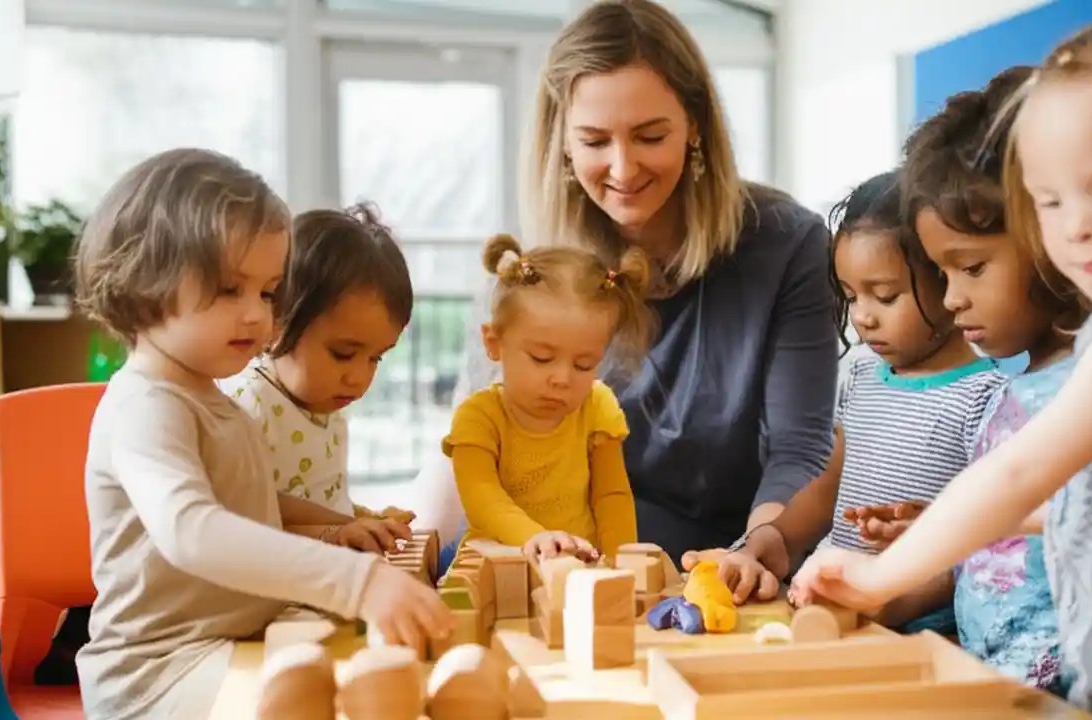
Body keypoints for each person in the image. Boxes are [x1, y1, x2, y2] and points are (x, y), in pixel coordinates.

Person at [793, 5, 1092, 717]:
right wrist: (954, 526)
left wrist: (880, 576)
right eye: (1047, 201)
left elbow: (1019, 469)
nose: (1075, 225)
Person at [412, 0, 837, 566]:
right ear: (561, 141)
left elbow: (800, 449)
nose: (623, 168)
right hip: (556, 557)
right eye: (593, 141)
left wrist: (757, 552)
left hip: (716, 560)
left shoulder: (787, 243)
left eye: (649, 136)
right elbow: (475, 438)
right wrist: (410, 557)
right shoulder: (530, 266)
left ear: (695, 126)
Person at [72, 148, 451, 719]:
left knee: (381, 678)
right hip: (157, 672)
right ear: (143, 281)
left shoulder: (208, 397)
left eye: (269, 292)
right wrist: (356, 580)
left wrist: (335, 533)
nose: (258, 315)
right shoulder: (143, 406)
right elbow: (192, 529)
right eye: (231, 289)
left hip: (237, 639)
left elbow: (249, 504)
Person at [700, 172, 1005, 631]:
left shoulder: (985, 397)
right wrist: (772, 538)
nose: (862, 316)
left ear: (946, 280)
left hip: (916, 627)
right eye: (850, 296)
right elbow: (828, 485)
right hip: (826, 605)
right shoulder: (863, 374)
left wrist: (887, 602)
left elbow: (982, 543)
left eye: (885, 296)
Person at [895, 65, 1088, 693]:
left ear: (1049, 231)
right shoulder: (1014, 387)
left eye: (971, 268)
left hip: (1065, 683)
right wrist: (940, 525)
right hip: (989, 674)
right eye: (941, 274)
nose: (951, 299)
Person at [444, 234, 651, 561]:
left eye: (584, 365)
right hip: (497, 565)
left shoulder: (597, 406)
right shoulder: (478, 417)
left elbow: (611, 496)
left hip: (578, 567)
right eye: (541, 358)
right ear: (494, 342)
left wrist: (620, 561)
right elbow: (483, 499)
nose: (562, 379)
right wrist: (538, 539)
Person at [222, 204, 416, 552]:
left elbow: (321, 500)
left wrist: (363, 518)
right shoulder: (248, 407)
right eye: (342, 353)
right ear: (277, 321)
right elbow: (249, 517)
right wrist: (339, 531)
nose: (359, 378)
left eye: (376, 358)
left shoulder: (326, 404)